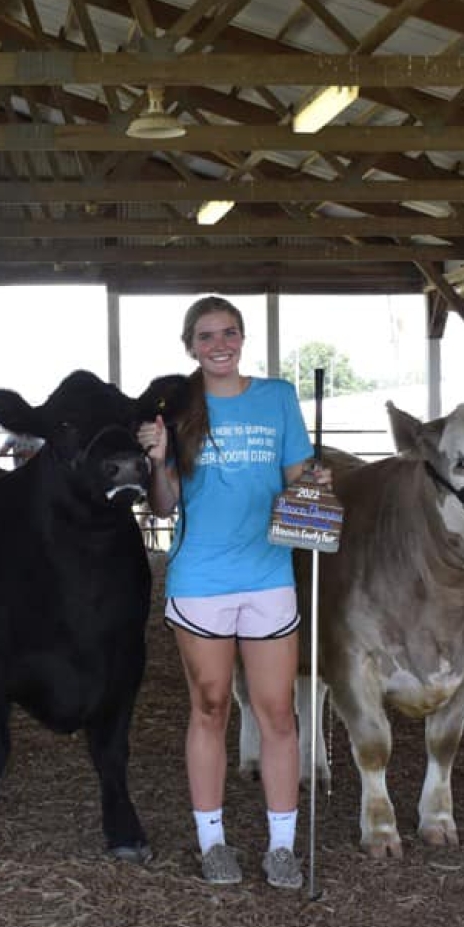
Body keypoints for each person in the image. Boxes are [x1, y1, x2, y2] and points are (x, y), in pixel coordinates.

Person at [138, 295, 327, 890]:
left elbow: (298, 478)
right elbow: (166, 506)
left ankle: (281, 845)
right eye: (206, 336)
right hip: (201, 581)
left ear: (242, 338)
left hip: (268, 575)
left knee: (277, 711)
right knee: (211, 707)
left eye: (229, 333)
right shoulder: (179, 407)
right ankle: (213, 841)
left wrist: (316, 484)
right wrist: (161, 461)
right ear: (189, 345)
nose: (219, 344)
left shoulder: (277, 398)